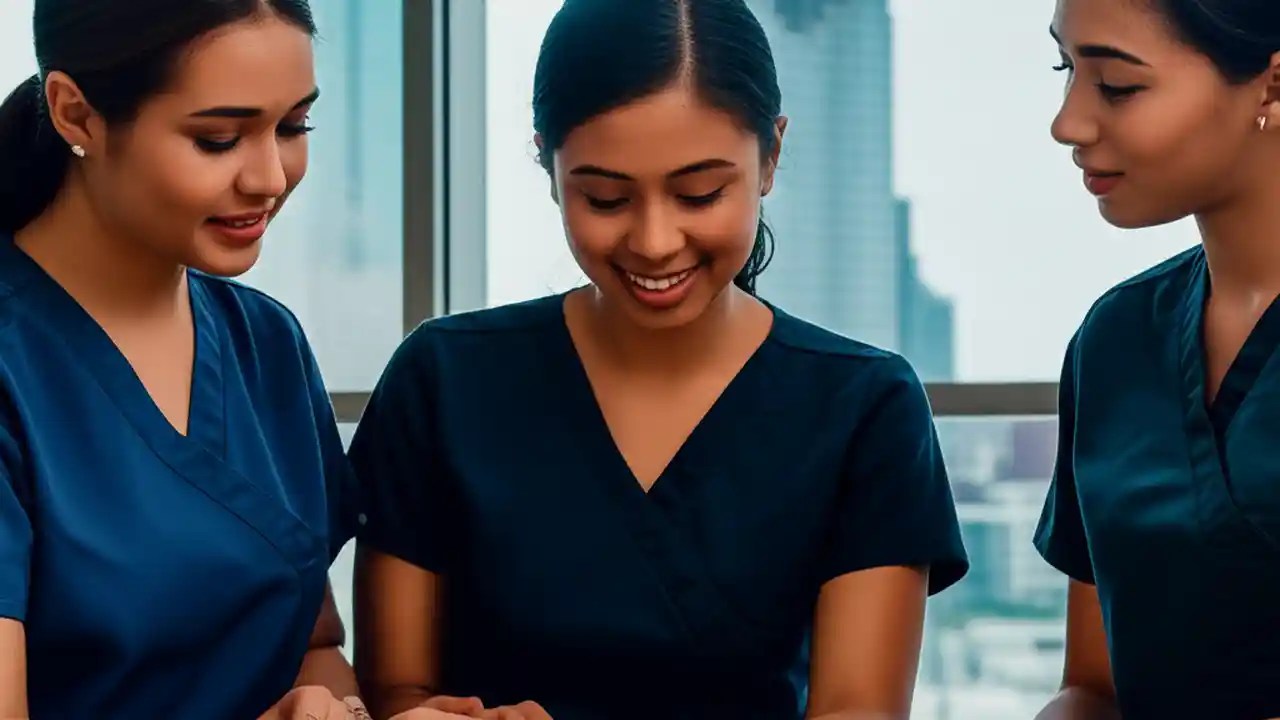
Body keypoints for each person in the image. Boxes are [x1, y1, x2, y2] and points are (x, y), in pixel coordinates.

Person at [351, 1, 969, 718]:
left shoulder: (866, 407)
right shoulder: (442, 380)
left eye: (699, 194)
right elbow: (396, 692)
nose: (654, 242)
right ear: (549, 168)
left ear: (770, 156)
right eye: (605, 198)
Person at [0, 1, 376, 717]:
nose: (270, 178)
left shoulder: (267, 344)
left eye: (294, 127)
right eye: (218, 139)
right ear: (77, 114)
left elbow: (315, 648)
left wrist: (335, 709)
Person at [1034, 0, 1280, 718]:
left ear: (1271, 85)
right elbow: (1093, 686)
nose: (1067, 123)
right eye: (1065, 68)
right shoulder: (1115, 339)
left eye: (1117, 86)